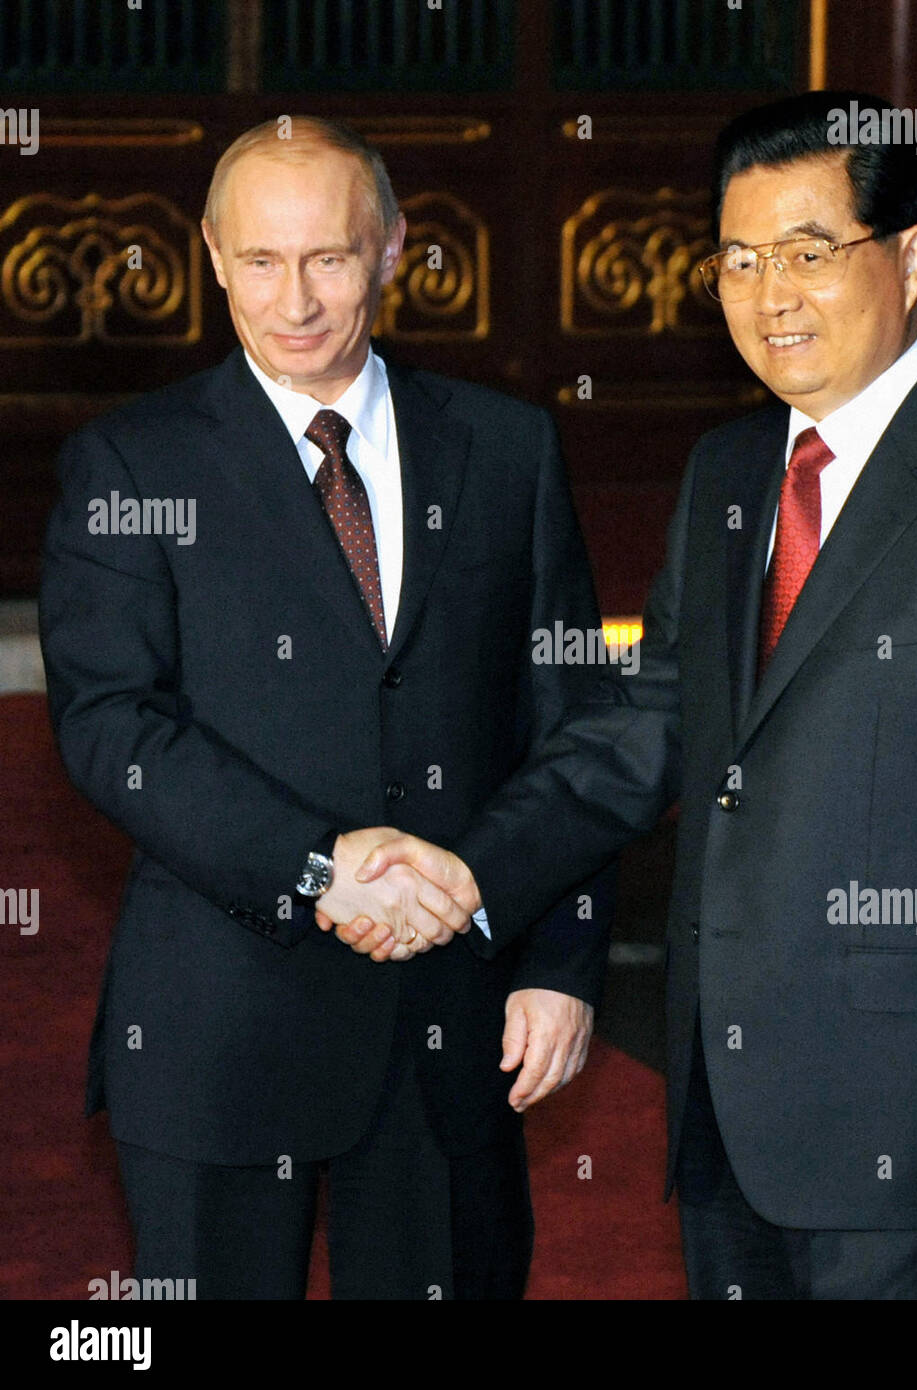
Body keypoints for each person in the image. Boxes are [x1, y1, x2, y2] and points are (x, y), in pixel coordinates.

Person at [323, 92, 917, 1299]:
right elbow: (644, 729)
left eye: (810, 254)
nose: (770, 296)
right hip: (726, 1098)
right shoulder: (730, 470)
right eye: (739, 260)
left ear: (910, 257)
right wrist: (471, 867)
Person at [38, 116, 609, 1300]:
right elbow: (111, 725)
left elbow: (571, 724)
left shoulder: (505, 450)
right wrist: (315, 868)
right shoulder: (131, 466)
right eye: (259, 261)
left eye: (329, 258)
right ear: (208, 254)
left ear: (394, 250)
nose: (294, 299)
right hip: (220, 1027)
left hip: (453, 1025)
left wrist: (562, 955)